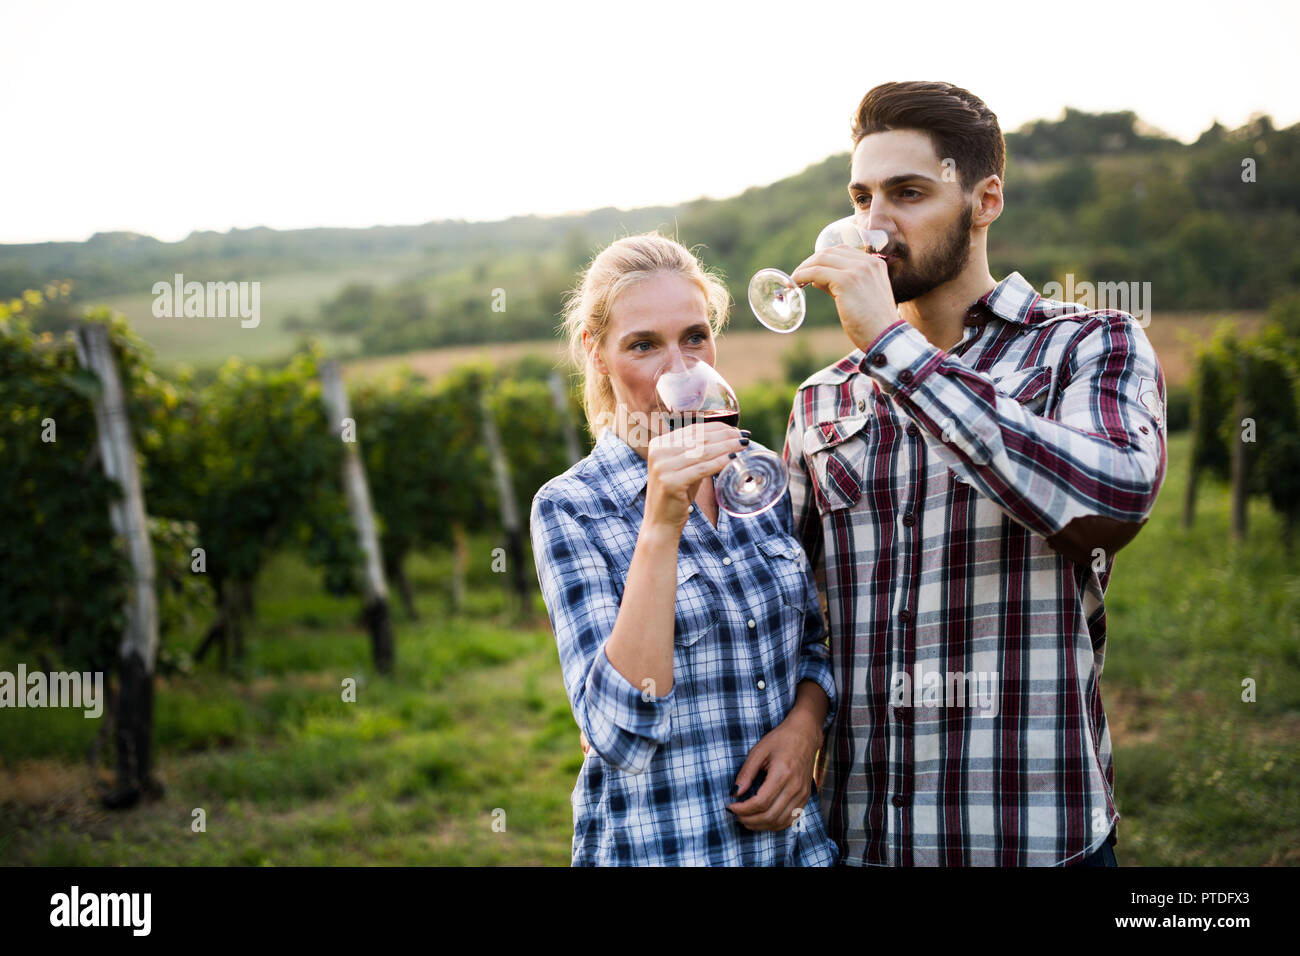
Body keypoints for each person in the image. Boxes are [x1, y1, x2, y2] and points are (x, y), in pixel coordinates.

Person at [784, 81, 1166, 866]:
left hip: (1027, 837)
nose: (876, 225)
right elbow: (796, 610)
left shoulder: (1091, 345)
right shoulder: (823, 396)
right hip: (861, 842)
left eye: (909, 193)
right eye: (862, 198)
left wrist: (892, 345)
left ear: (985, 200)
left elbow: (1114, 498)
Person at [530, 233, 839, 866]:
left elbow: (815, 645)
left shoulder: (757, 476)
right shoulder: (571, 508)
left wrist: (805, 729)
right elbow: (617, 736)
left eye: (694, 337)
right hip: (668, 849)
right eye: (643, 345)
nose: (678, 370)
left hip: (795, 851)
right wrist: (661, 521)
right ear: (597, 353)